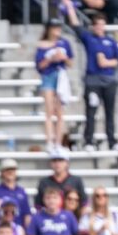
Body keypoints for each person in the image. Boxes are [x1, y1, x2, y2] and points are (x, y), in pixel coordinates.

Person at [63, 1, 118, 152]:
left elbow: (117, 60)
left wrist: (106, 62)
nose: (100, 27)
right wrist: (70, 8)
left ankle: (112, 141)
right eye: (98, 25)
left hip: (109, 80)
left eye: (102, 24)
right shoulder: (89, 39)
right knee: (91, 111)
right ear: (94, 26)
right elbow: (76, 26)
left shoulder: (111, 41)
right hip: (93, 80)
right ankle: (89, 140)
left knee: (109, 112)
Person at [35, 18, 73, 154]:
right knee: (49, 110)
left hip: (60, 75)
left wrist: (63, 58)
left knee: (60, 112)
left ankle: (58, 142)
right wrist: (50, 58)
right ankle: (49, 141)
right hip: (48, 76)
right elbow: (39, 66)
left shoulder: (64, 43)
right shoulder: (42, 45)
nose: (57, 31)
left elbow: (70, 63)